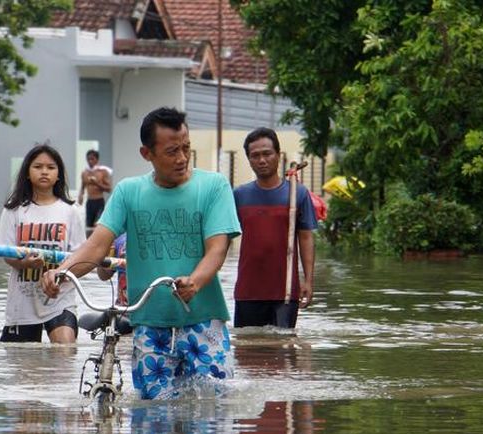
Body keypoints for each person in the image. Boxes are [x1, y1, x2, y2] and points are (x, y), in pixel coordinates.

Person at [42, 107, 241, 400]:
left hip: (204, 322)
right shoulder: (128, 192)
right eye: (172, 151)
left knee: (215, 409)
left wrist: (195, 281)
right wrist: (62, 273)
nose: (182, 158)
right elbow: (96, 246)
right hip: (148, 325)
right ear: (147, 153)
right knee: (152, 416)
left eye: (186, 148)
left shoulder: (214, 186)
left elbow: (217, 248)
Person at [0, 144, 86, 344]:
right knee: (22, 361)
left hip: (60, 296)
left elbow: (82, 257)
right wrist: (22, 263)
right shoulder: (14, 210)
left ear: (59, 174)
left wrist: (60, 275)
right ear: (27, 173)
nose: (44, 171)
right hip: (23, 301)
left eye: (51, 167)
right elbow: (5, 251)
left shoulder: (71, 211)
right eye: (38, 167)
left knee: (65, 350)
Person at [232, 127, 318, 329]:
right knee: (248, 346)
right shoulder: (239, 195)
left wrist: (308, 281)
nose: (262, 160)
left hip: (285, 292)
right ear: (249, 159)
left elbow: (306, 238)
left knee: (283, 346)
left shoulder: (298, 194)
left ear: (278, 155)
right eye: (255, 156)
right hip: (248, 291)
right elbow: (223, 239)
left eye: (267, 154)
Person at [77, 149, 113, 234]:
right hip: (90, 202)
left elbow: (109, 189)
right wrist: (80, 197)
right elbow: (82, 187)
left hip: (99, 201)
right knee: (89, 226)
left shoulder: (102, 172)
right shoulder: (85, 173)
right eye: (88, 159)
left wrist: (97, 183)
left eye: (92, 159)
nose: (90, 161)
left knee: (97, 225)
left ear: (97, 159)